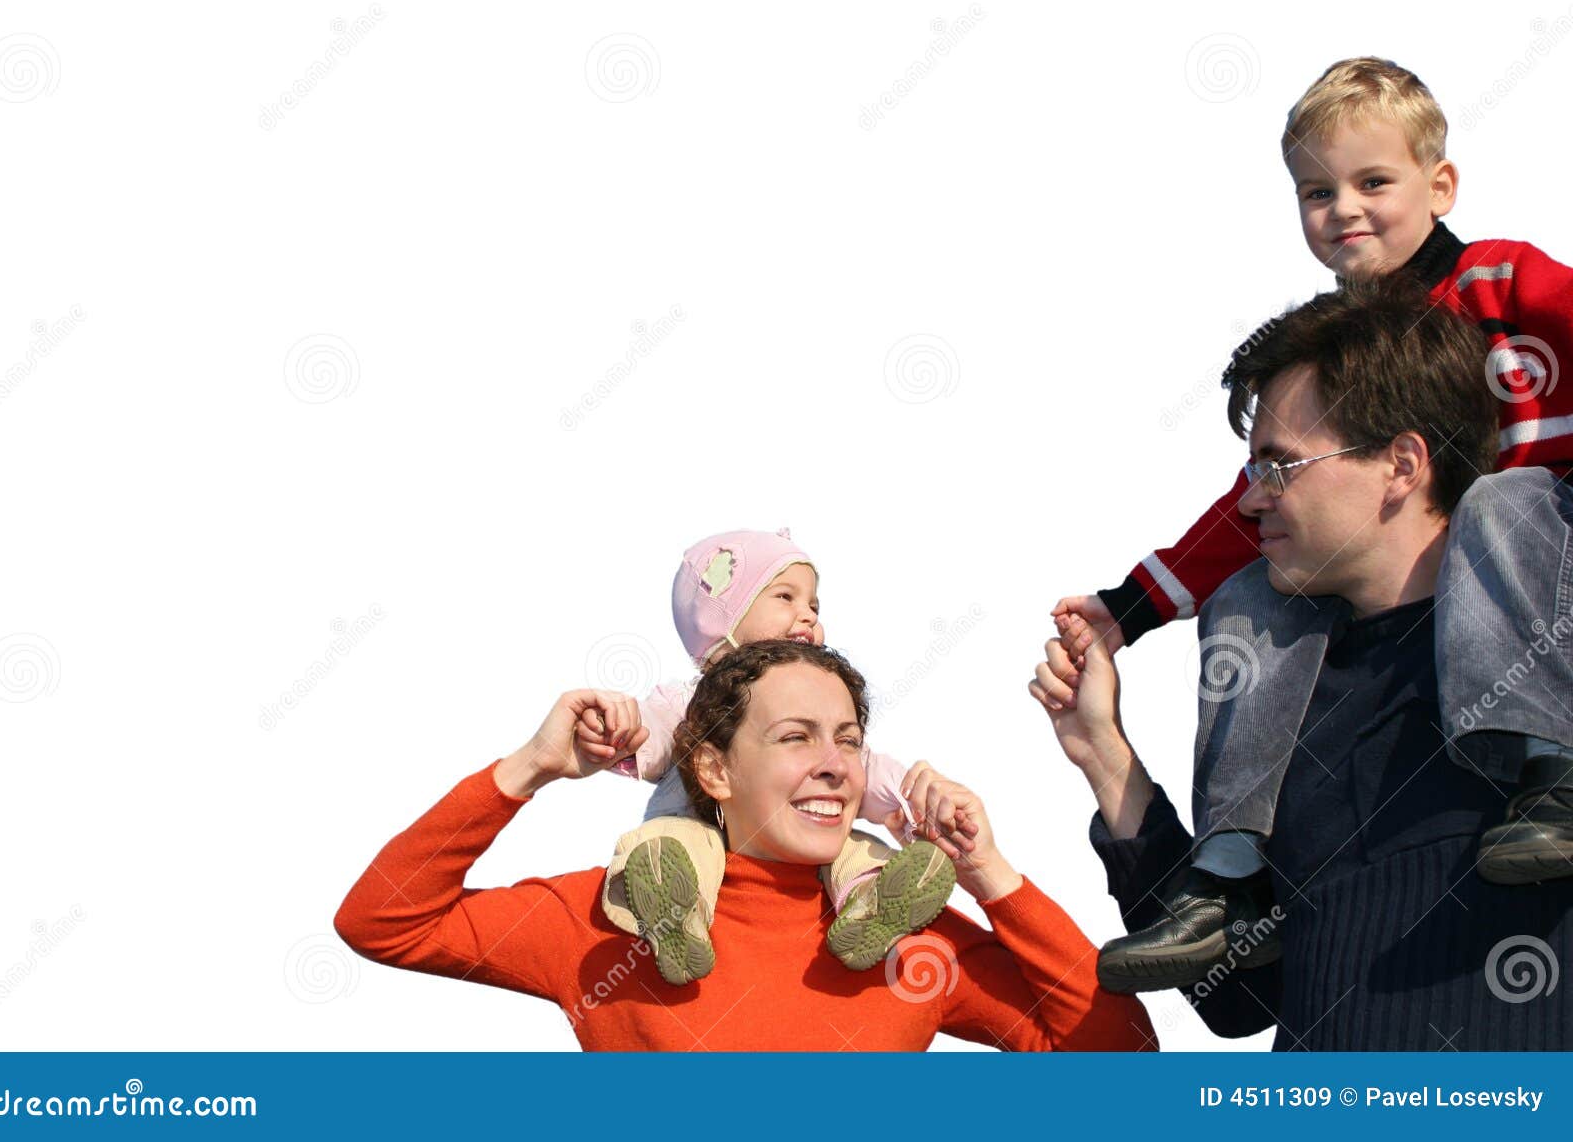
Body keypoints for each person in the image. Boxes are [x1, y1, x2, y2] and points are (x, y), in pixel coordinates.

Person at [1047, 58, 1573, 975]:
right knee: (1258, 592)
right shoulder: (1329, 351)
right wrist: (1128, 608)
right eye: (1316, 191)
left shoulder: (1500, 282)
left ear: (1439, 185)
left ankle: (1550, 771)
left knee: (1501, 494)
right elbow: (1259, 499)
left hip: (1545, 541)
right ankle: (1232, 875)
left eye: (1374, 181)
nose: (1345, 209)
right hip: (1428, 587)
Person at [1033, 279, 1573, 1047]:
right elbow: (1238, 1001)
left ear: (1403, 464)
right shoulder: (1274, 688)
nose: (1252, 500)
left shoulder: (1553, 658)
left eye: (1279, 467)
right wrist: (1103, 755)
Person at [336, 639, 1155, 1052]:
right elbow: (383, 921)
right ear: (714, 769)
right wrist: (530, 768)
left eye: (847, 738)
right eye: (796, 737)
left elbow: (1119, 1053)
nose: (834, 764)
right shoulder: (607, 922)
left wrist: (991, 875)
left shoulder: (911, 939)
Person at [585, 528, 956, 984]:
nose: (808, 615)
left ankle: (873, 906)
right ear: (719, 619)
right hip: (696, 832)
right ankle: (675, 915)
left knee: (855, 846)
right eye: (786, 597)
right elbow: (655, 730)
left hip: (797, 845)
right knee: (668, 843)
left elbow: (863, 766)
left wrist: (914, 795)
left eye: (814, 606)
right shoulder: (686, 702)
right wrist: (620, 729)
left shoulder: (818, 701)